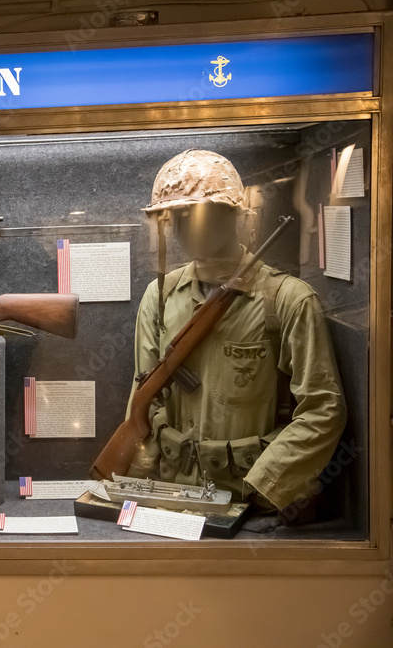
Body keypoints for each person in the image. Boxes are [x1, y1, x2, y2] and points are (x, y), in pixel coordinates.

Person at [127, 150, 346, 514]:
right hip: (170, 499)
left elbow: (323, 409)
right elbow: (143, 396)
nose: (183, 229)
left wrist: (264, 486)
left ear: (232, 216)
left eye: (196, 215)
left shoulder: (287, 299)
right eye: (174, 218)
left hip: (245, 501)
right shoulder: (160, 295)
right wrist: (138, 477)